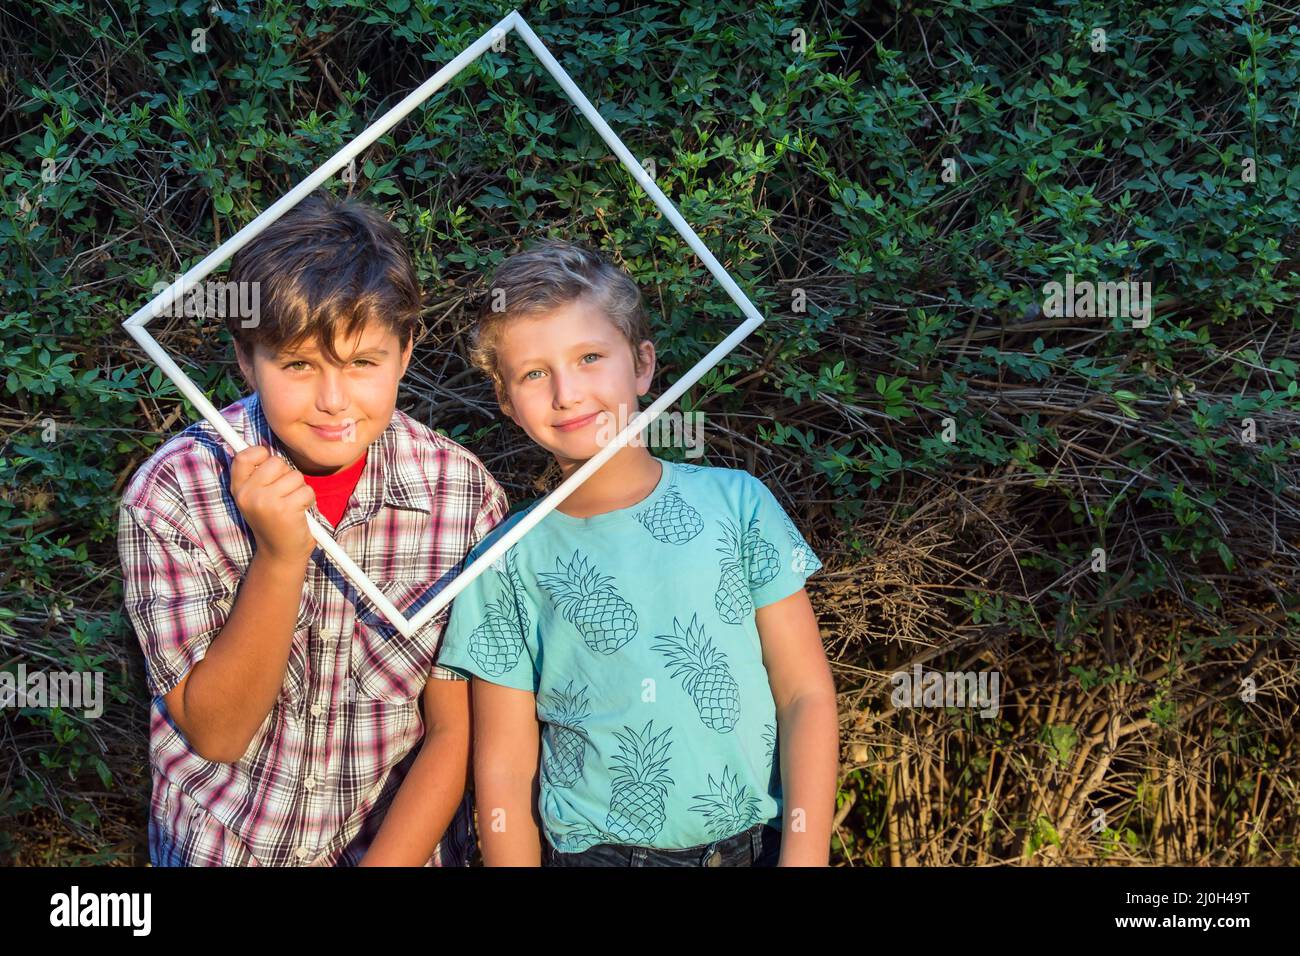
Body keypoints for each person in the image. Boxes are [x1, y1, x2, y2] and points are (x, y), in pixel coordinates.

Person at [117, 192, 507, 866]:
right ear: (246, 359)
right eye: (298, 365)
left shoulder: (463, 497)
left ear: (407, 351)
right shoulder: (173, 492)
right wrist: (278, 556)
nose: (333, 400)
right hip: (222, 850)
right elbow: (216, 732)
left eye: (362, 364)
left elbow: (455, 732)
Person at [436, 240, 839, 866]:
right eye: (535, 373)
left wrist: (804, 855)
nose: (567, 393)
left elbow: (804, 694)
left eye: (590, 357)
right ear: (507, 400)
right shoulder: (506, 558)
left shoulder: (738, 505)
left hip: (752, 846)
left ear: (643, 365)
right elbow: (506, 769)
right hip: (599, 854)